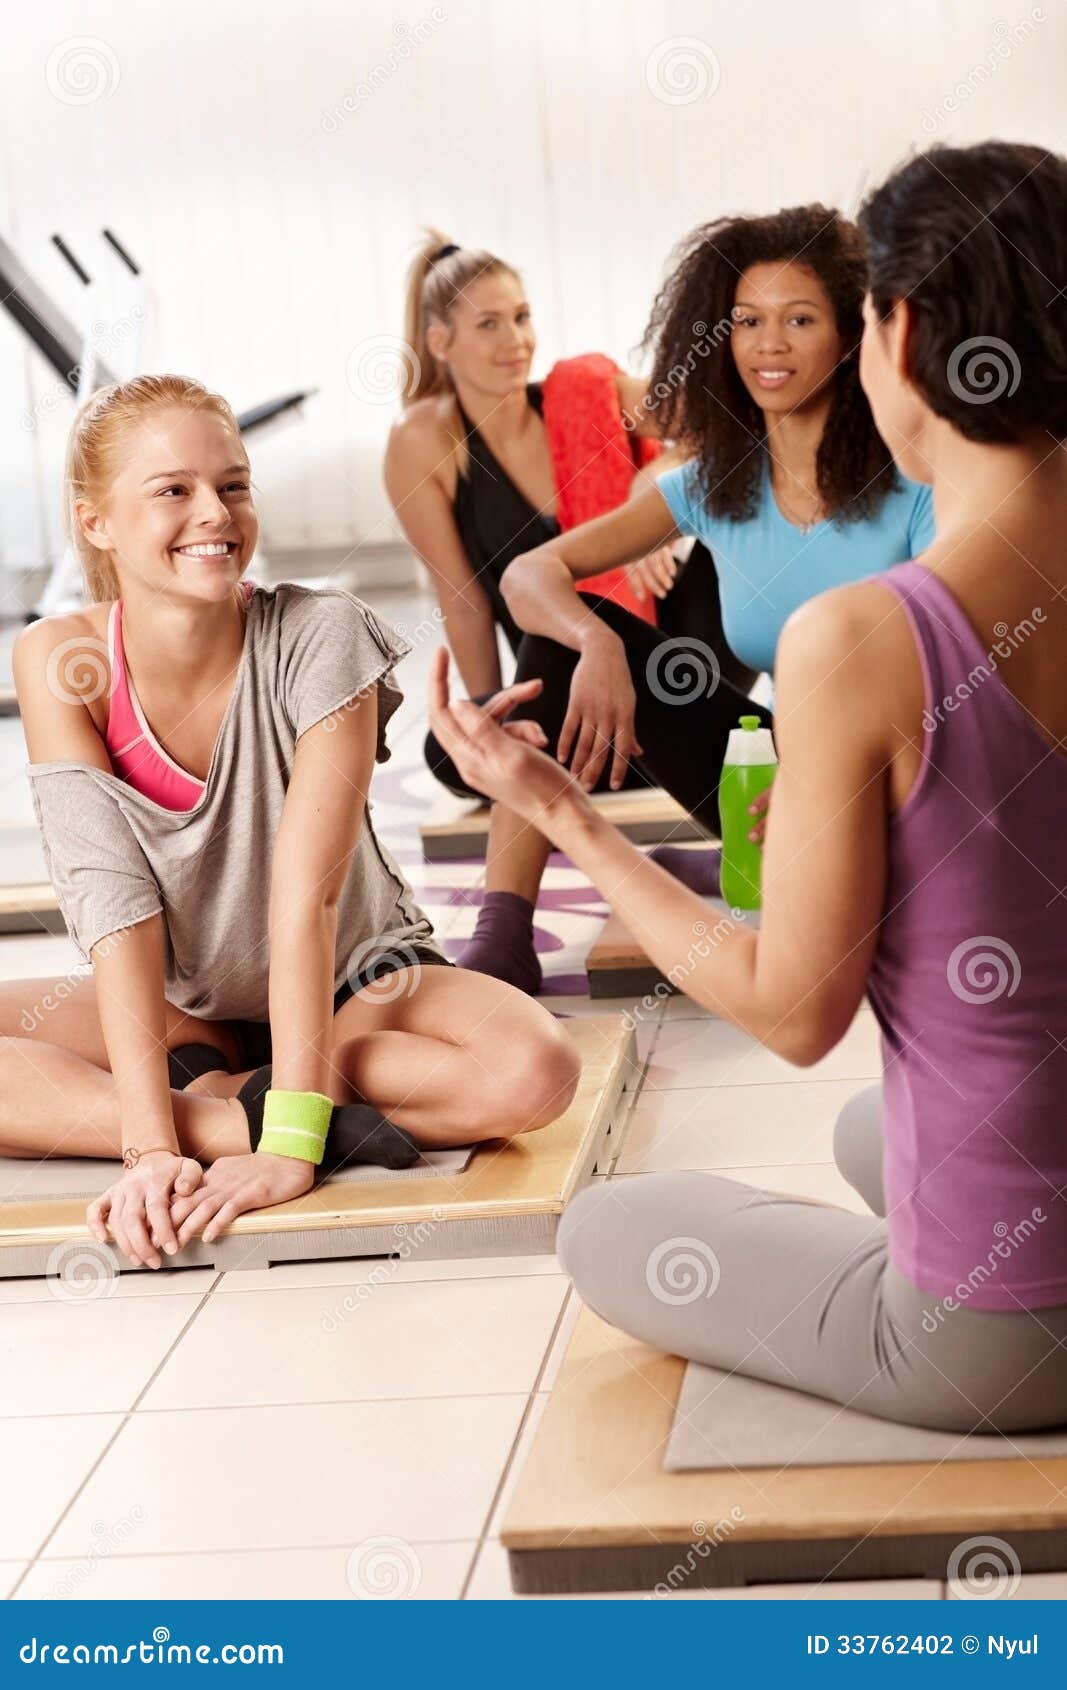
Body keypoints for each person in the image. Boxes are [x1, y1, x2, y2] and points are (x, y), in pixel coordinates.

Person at [428, 139, 1067, 1433]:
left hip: (1001, 1347)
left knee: (613, 1226)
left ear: (894, 332)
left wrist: (561, 815)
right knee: (857, 1137)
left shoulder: (863, 637)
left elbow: (789, 1012)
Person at [2, 374, 579, 1272]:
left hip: (358, 989)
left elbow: (302, 903)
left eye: (232, 485)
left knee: (535, 1071)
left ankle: (267, 1099)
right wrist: (152, 1148)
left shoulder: (321, 636)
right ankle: (224, 1109)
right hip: (186, 1015)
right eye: (173, 490)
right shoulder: (60, 659)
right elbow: (114, 911)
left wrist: (294, 1142)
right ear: (96, 522)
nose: (215, 514)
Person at [427, 206, 934, 993]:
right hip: (774, 781)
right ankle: (503, 933)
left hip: (900, 785)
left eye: (798, 319)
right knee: (563, 641)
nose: (767, 345)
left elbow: (964, 672)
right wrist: (596, 644)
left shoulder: (914, 479)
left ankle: (715, 857)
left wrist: (840, 789)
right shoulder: (712, 483)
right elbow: (530, 574)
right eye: (745, 322)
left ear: (847, 337)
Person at [385, 233, 743, 992]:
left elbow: (716, 429)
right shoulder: (425, 439)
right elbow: (463, 596)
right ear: (438, 341)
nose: (515, 341)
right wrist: (489, 714)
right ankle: (700, 846)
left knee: (705, 542)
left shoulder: (589, 391)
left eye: (520, 317)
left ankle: (504, 927)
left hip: (682, 659)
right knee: (463, 742)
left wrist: (650, 495)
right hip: (575, 701)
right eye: (488, 324)